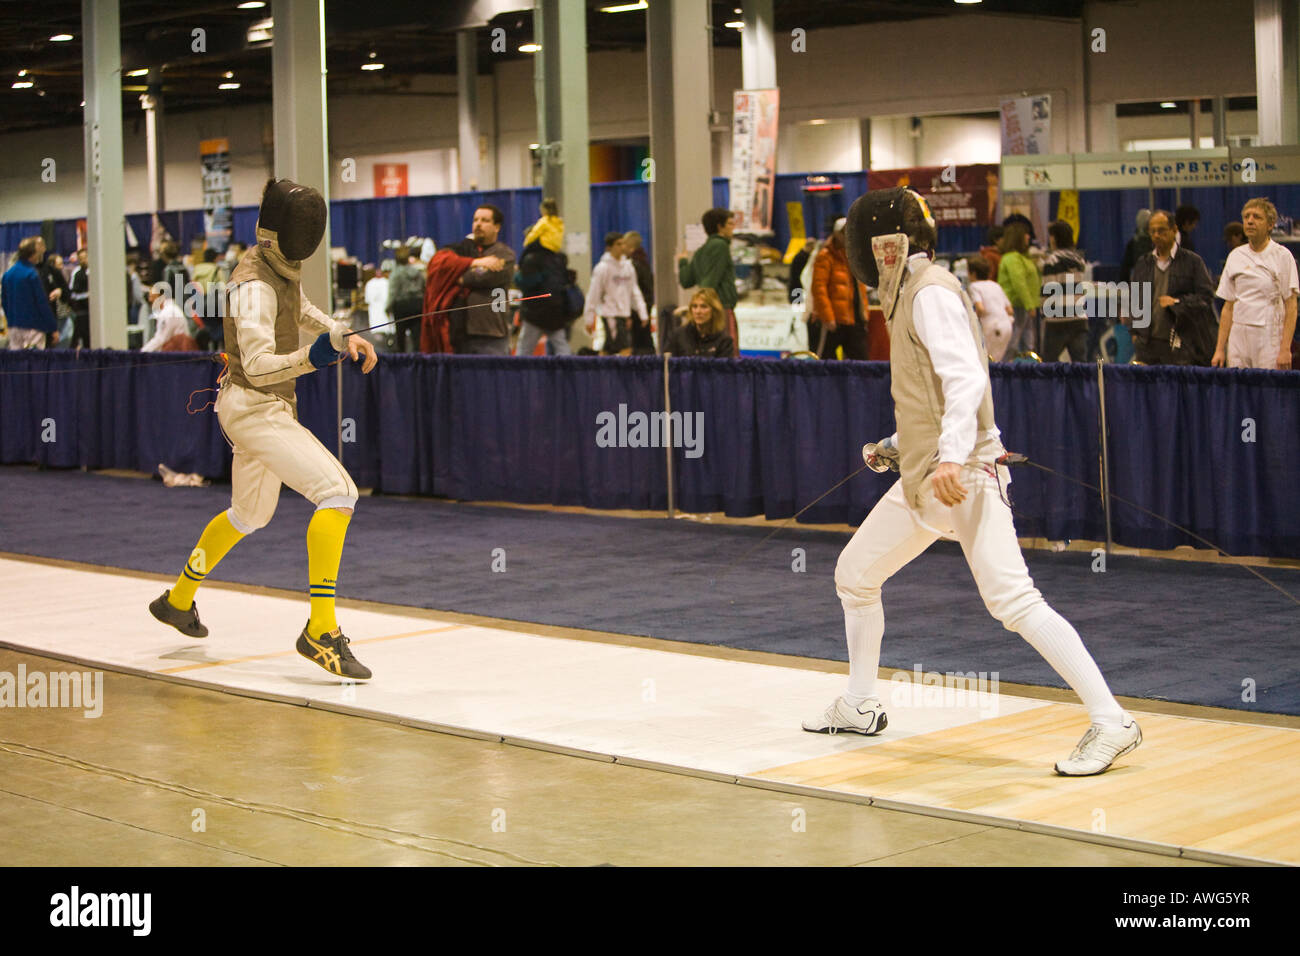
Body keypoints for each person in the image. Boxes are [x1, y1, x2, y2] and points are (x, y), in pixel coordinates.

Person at [803, 186, 1141, 777]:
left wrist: (954, 457)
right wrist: (898, 446)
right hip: (930, 475)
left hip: (962, 477)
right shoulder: (909, 291)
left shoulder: (929, 293)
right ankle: (860, 703)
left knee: (1013, 601)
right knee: (855, 575)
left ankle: (1112, 721)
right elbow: (927, 396)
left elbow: (965, 381)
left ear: (883, 244)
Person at [148, 178, 379, 681]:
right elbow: (257, 365)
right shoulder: (253, 285)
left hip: (254, 405)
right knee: (338, 493)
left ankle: (178, 600)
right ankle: (321, 631)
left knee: (249, 514)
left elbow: (300, 310)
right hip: (255, 406)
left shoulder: (276, 269)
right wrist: (314, 358)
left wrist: (340, 333)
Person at [1213, 197, 1298, 370]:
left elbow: (1291, 306)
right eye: (1246, 217)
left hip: (1269, 337)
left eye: (1257, 217)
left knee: (1268, 392)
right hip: (1238, 336)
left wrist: (1285, 349)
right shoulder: (1235, 256)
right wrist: (1220, 349)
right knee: (1239, 392)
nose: (1250, 221)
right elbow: (1228, 307)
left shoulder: (1282, 256)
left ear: (1270, 224)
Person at [1129, 210, 1218, 366]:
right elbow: (1134, 299)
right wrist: (1135, 334)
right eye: (1152, 231)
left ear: (1174, 230)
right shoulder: (1143, 263)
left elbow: (1206, 297)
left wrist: (1177, 302)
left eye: (1161, 230)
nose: (1156, 235)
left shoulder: (1192, 262)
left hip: (1180, 344)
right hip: (1147, 344)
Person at [452, 205, 514, 355]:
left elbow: (482, 277)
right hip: (462, 334)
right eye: (475, 220)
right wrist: (473, 267)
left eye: (485, 220)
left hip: (492, 335)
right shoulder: (464, 250)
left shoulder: (504, 254)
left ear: (497, 227)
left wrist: (464, 274)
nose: (478, 224)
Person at [809, 217, 869, 360]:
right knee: (825, 363)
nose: (848, 236)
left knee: (862, 363)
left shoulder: (854, 255)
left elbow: (860, 289)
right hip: (834, 321)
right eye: (844, 232)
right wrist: (827, 317)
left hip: (854, 319)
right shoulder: (825, 256)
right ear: (836, 234)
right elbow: (818, 288)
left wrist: (864, 313)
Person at [678, 207, 738, 344]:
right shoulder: (720, 246)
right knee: (726, 353)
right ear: (720, 226)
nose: (733, 227)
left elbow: (686, 280)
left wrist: (682, 261)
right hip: (720, 310)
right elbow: (709, 283)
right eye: (729, 223)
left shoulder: (701, 250)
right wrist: (705, 303)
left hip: (711, 310)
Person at [585, 231, 648, 356]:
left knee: (609, 350)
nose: (623, 247)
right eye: (619, 244)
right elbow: (594, 294)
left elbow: (634, 291)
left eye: (623, 244)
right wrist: (589, 318)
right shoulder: (602, 268)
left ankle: (604, 373)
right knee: (625, 350)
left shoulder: (628, 267)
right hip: (610, 314)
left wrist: (642, 312)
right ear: (610, 247)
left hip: (623, 315)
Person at [1038, 219, 1089, 362]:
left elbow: (1048, 290)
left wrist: (1044, 313)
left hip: (1056, 320)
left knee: (1049, 366)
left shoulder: (1052, 261)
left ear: (1054, 238)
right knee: (1080, 367)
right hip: (1078, 318)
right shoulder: (1079, 260)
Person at [514, 236, 573, 356]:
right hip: (556, 311)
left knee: (524, 349)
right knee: (561, 347)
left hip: (534, 313)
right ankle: (569, 373)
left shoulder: (532, 259)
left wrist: (517, 276)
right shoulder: (558, 258)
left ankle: (519, 375)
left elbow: (526, 282)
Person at [0, 236, 59, 349]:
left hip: (14, 327)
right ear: (33, 254)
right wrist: (53, 327)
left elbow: (4, 302)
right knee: (36, 363)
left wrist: (11, 320)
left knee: (17, 362)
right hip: (34, 327)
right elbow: (41, 303)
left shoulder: (8, 275)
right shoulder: (31, 274)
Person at [996, 222, 1041, 355]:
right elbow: (1019, 283)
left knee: (1028, 343)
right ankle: (1005, 371)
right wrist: (1029, 305)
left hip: (1023, 305)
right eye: (1025, 235)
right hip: (1016, 305)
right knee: (1013, 342)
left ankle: (1029, 370)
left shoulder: (1021, 258)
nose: (1028, 237)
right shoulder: (1012, 258)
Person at [966, 256, 1014, 361]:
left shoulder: (974, 286)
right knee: (998, 361)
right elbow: (1010, 310)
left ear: (973, 273)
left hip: (991, 327)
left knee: (986, 361)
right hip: (1007, 326)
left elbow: (980, 308)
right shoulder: (996, 285)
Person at [667, 288, 735, 358]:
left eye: (704, 307)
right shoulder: (678, 335)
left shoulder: (724, 341)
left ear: (714, 311)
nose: (698, 311)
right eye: (695, 306)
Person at [387, 246, 426, 353]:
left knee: (400, 338)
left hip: (401, 306)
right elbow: (424, 288)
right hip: (417, 305)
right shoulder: (417, 272)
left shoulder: (395, 274)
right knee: (417, 338)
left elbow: (392, 293)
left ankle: (402, 362)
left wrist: (388, 308)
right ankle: (417, 362)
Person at [623, 230, 656, 354]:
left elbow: (633, 290)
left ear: (631, 247)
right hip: (646, 305)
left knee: (639, 341)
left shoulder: (632, 265)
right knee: (645, 338)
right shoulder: (644, 261)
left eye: (624, 245)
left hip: (638, 309)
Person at [140, 284, 191, 351]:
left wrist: (142, 352)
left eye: (153, 297)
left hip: (177, 353)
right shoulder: (171, 310)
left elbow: (161, 339)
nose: (150, 300)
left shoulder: (168, 313)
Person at [1119, 209, 1153, 283]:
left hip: (1139, 282)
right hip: (1147, 282)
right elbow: (1125, 268)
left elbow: (1125, 268)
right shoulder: (1154, 242)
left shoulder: (1133, 242)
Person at [68, 248, 91, 349]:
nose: (83, 260)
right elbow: (73, 293)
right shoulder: (76, 273)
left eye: (85, 257)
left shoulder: (95, 271)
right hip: (81, 312)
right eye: (81, 259)